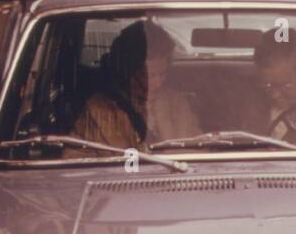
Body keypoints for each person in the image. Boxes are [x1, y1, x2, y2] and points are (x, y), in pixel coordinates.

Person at [69, 22, 200, 148]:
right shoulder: (98, 110)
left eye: (162, 74)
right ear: (128, 72)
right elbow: (76, 161)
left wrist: (163, 120)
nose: (157, 83)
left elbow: (195, 152)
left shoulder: (176, 103)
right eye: (150, 75)